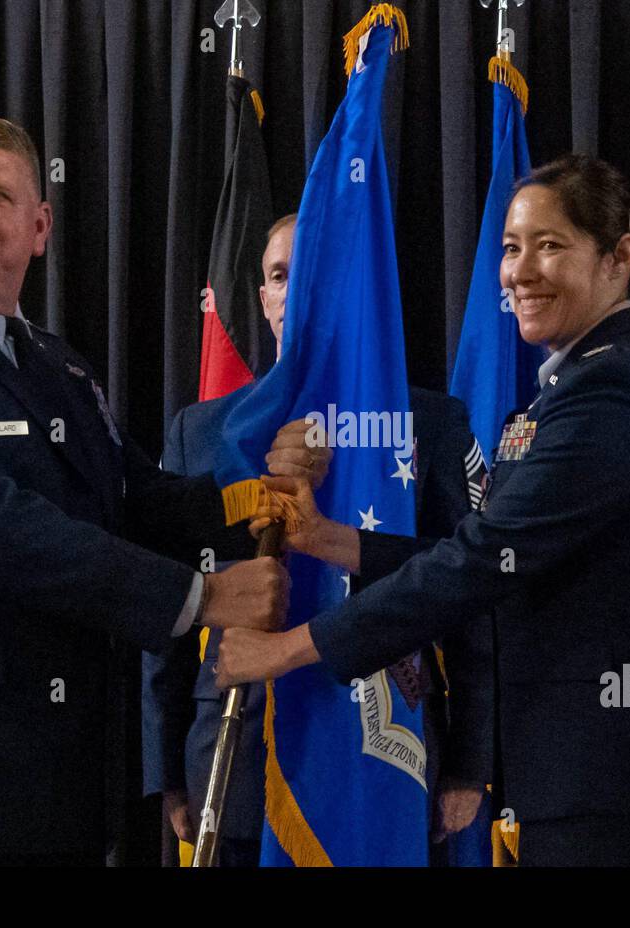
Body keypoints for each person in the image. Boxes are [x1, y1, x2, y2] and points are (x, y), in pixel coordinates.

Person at [0, 114, 327, 866]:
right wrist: (201, 598)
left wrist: (265, 498)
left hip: (59, 795)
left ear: (38, 226)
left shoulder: (59, 366)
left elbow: (139, 502)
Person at [217, 153, 630, 866]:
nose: (519, 271)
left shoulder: (614, 394)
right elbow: (498, 551)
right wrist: (331, 541)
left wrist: (290, 650)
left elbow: (480, 562)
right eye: (512, 248)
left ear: (619, 257)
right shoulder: (574, 382)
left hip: (606, 777)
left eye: (550, 246)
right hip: (568, 771)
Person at [142, 214, 494, 866]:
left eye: (319, 276)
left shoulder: (432, 424)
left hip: (384, 753)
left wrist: (470, 763)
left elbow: (471, 594)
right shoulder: (201, 432)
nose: (298, 293)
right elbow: (172, 603)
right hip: (237, 750)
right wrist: (164, 766)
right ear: (265, 299)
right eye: (280, 277)